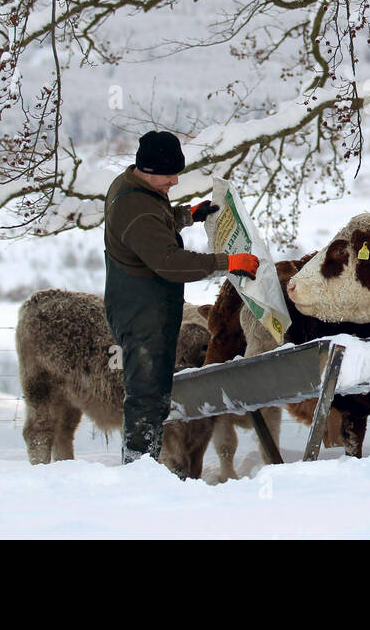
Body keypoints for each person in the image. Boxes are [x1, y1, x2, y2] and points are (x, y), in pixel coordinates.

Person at [102, 130, 259, 464]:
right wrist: (228, 262)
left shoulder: (134, 187)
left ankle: (143, 463)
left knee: (154, 392)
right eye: (168, 174)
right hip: (141, 314)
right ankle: (138, 467)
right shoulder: (136, 207)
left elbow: (153, 226)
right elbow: (170, 263)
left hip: (141, 306)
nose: (174, 181)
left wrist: (187, 215)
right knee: (146, 396)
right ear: (146, 169)